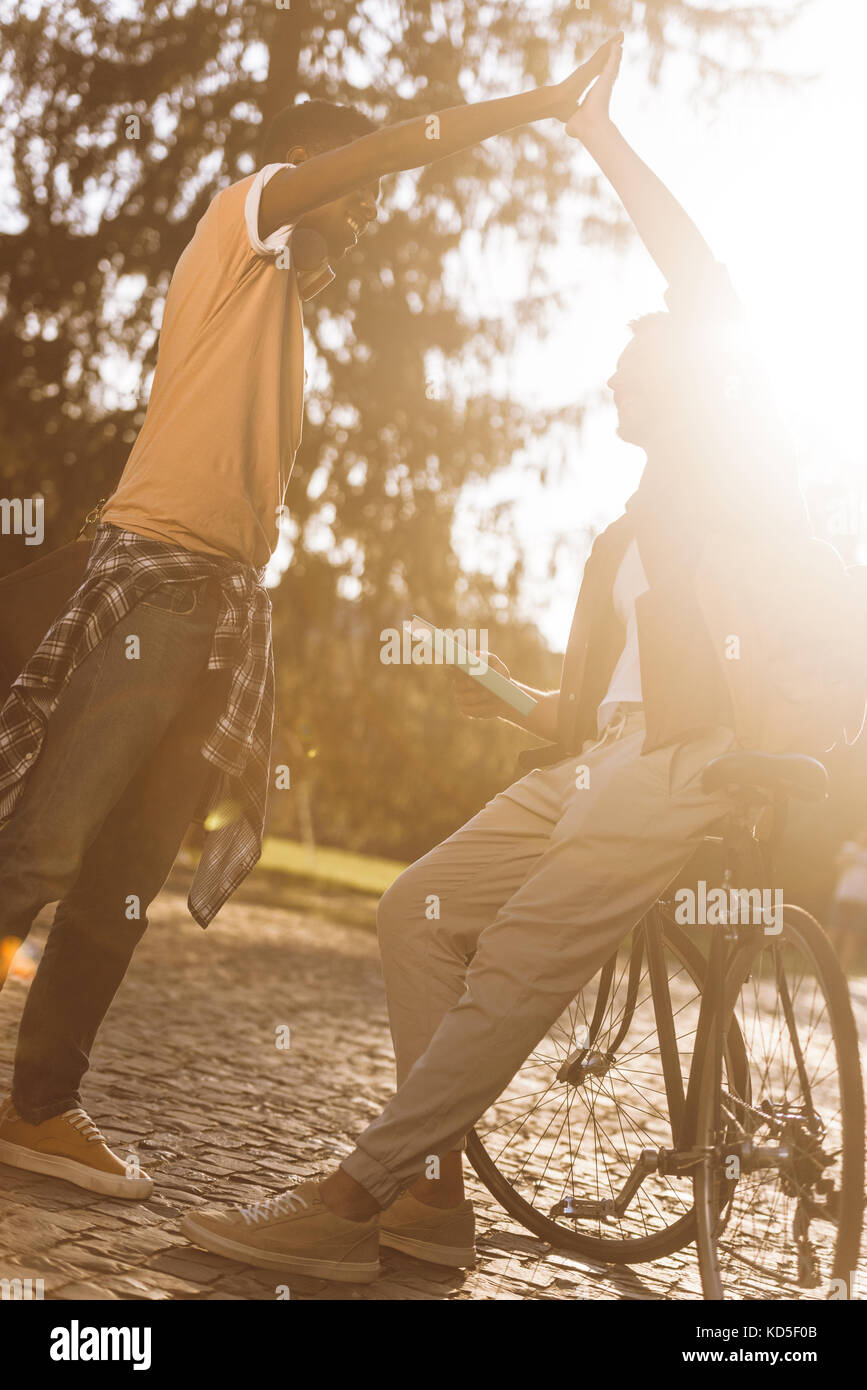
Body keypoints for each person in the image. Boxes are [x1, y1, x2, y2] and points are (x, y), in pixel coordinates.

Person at [181, 38, 862, 1283]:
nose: (610, 370)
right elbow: (579, 711)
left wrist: (593, 135)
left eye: (631, 358)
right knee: (414, 910)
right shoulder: (621, 544)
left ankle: (349, 1196)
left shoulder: (740, 461)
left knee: (511, 965)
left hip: (694, 767)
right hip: (602, 766)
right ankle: (435, 1197)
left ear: (689, 377)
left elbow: (698, 276)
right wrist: (496, 687)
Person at [0, 39, 620, 1200]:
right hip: (161, 581)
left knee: (124, 879)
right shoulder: (244, 221)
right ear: (299, 164)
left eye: (380, 195)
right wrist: (536, 104)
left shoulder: (282, 312)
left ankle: (38, 1106)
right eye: (360, 182)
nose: (375, 205)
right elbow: (389, 148)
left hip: (220, 610)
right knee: (42, 841)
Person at [828, 828, 867, 972]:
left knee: (852, 936)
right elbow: (839, 864)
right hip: (843, 897)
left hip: (862, 901)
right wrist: (857, 851)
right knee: (833, 931)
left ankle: (843, 970)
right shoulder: (849, 847)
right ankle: (825, 966)